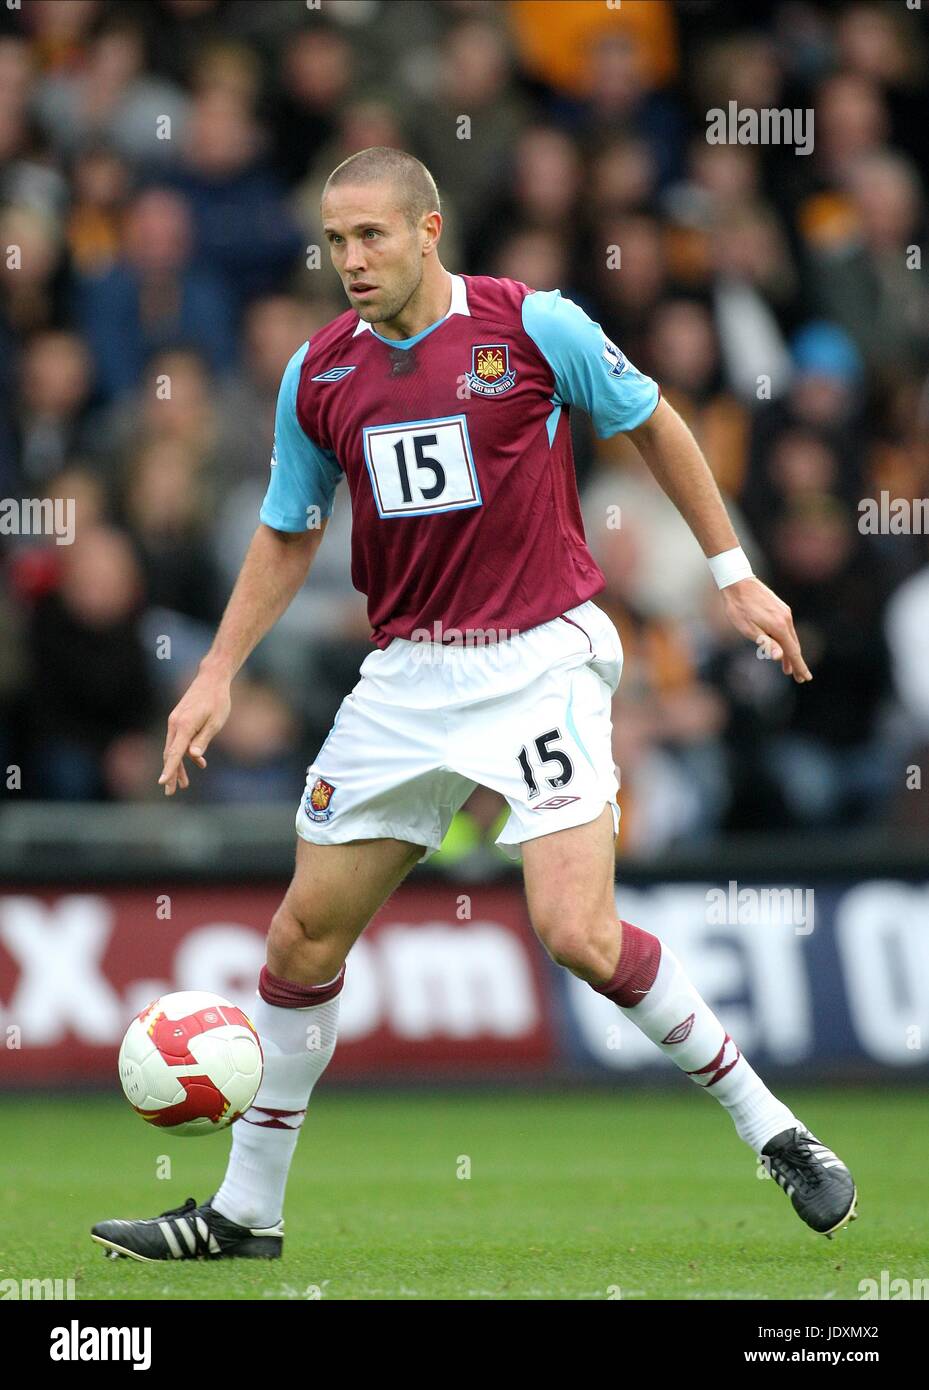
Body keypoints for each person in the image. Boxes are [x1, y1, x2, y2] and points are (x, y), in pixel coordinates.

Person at [91, 147, 856, 1262]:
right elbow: (289, 529)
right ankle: (246, 1212)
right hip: (407, 677)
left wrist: (732, 570)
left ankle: (772, 1125)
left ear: (428, 230)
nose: (349, 260)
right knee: (301, 937)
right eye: (334, 240)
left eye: (371, 237)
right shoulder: (318, 375)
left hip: (538, 656)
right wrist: (214, 675)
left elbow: (655, 422)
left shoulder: (531, 327)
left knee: (575, 932)